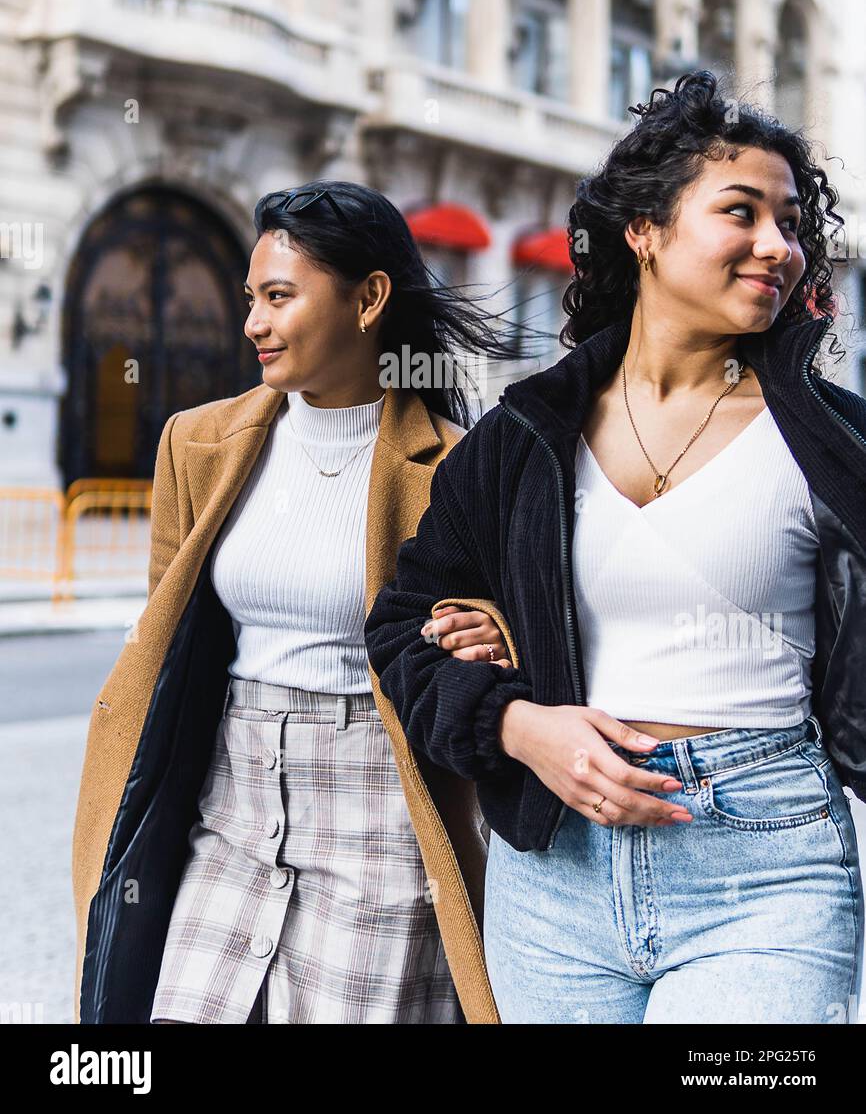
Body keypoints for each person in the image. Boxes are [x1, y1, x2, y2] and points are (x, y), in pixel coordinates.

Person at [365, 71, 866, 1024]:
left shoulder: (834, 444)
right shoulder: (525, 437)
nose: (780, 247)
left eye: (793, 223)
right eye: (742, 212)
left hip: (765, 867)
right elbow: (397, 629)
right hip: (552, 876)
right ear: (644, 232)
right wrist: (516, 724)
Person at [71, 180, 539, 1024]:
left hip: (380, 813)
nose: (253, 321)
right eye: (252, 298)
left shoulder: (458, 466)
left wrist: (493, 635)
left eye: (280, 297)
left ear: (369, 299)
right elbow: (172, 640)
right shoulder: (198, 443)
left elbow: (509, 631)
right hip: (229, 804)